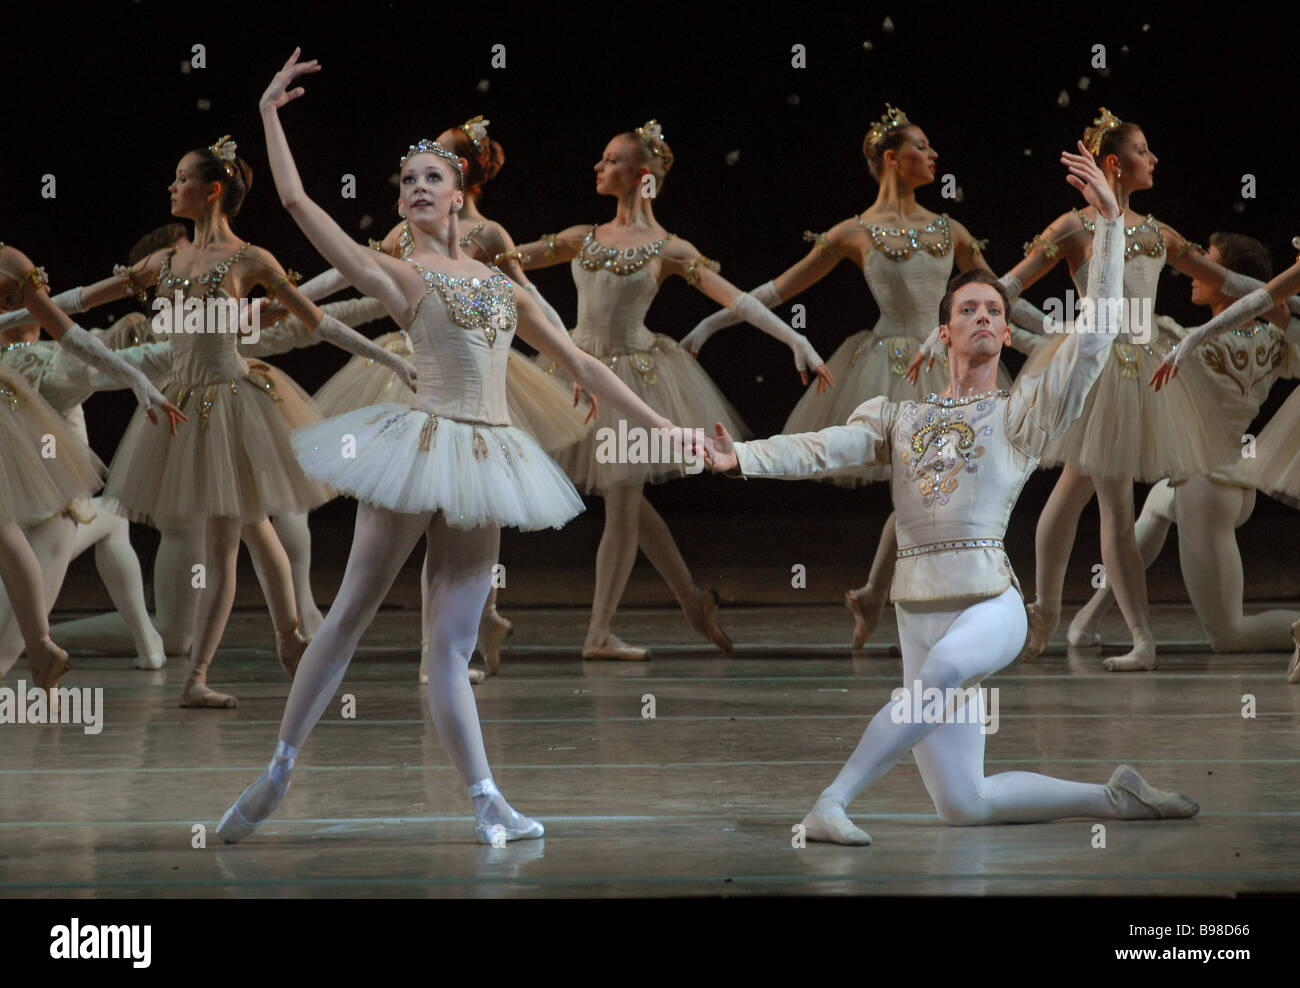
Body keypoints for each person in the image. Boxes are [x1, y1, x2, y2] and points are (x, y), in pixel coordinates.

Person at [218, 50, 699, 844]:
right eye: (404, 181)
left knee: (451, 643)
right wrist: (269, 114)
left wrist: (666, 428)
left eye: (428, 179)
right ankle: (278, 765)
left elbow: (580, 363)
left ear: (460, 195)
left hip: (488, 455)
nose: (414, 189)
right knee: (349, 614)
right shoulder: (400, 276)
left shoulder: (502, 285)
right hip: (420, 440)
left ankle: (485, 798)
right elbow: (302, 204)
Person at [699, 144, 1197, 843]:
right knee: (963, 804)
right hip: (917, 607)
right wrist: (738, 458)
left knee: (944, 672)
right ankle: (1115, 799)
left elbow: (1096, 338)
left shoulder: (1024, 413)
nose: (988, 318)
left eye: (997, 309)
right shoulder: (899, 417)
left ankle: (830, 803)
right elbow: (819, 448)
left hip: (992, 603)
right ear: (945, 331)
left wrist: (1111, 227)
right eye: (971, 309)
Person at [513, 121, 830, 659]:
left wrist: (793, 336)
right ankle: (689, 597)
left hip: (637, 379)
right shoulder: (578, 238)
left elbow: (735, 299)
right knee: (626, 497)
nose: (597, 167)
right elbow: (499, 258)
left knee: (622, 499)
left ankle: (599, 631)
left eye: (610, 160)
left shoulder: (669, 248)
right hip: (575, 372)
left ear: (640, 176)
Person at [1069, 233, 1300, 660]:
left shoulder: (1181, 341)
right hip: (1233, 485)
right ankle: (1085, 620)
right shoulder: (1276, 342)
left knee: (1229, 635)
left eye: (1206, 265)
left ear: (1231, 282)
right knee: (1156, 505)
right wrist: (1284, 312)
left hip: (1205, 493)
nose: (1193, 274)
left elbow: (1119, 332)